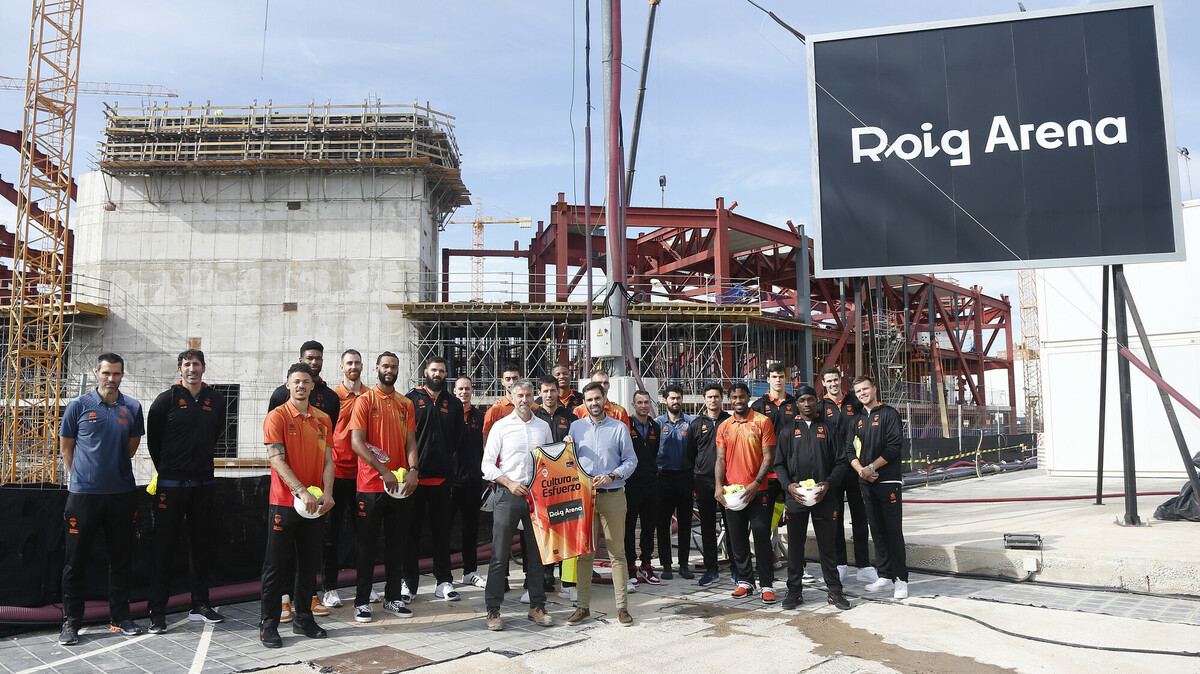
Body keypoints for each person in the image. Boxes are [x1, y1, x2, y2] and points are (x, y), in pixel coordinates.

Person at [58, 353, 146, 646]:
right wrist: (83, 478)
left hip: (121, 495)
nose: (111, 379)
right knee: (75, 563)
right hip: (83, 497)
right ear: (97, 373)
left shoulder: (132, 407)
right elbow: (67, 448)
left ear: (122, 375)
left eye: (116, 374)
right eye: (106, 373)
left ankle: (120, 619)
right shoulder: (78, 406)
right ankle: (71, 622)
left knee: (121, 560)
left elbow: (130, 449)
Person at [146, 349, 227, 634]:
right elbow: (154, 441)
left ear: (204, 368)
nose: (192, 369)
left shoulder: (216, 400)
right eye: (187, 364)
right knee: (164, 548)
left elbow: (216, 433)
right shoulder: (165, 400)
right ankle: (157, 611)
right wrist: (170, 469)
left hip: (203, 484)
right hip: (171, 485)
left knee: (201, 546)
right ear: (179, 369)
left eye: (196, 364)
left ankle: (200, 605)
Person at [259, 363, 335, 648]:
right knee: (275, 565)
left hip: (314, 505)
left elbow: (328, 460)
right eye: (296, 381)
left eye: (306, 381)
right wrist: (301, 491)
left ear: (313, 385)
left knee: (308, 563)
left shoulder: (323, 419)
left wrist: (328, 493)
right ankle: (268, 624)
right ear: (288, 385)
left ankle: (303, 618)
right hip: (284, 502)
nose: (301, 386)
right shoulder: (277, 416)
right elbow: (277, 460)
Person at [348, 352, 419, 623]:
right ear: (376, 368)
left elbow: (411, 443)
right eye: (385, 366)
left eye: (394, 367)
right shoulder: (364, 401)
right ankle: (361, 602)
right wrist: (384, 471)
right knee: (366, 547)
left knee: (396, 546)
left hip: (399, 488)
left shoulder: (405, 404)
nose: (390, 370)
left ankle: (392, 599)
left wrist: (413, 471)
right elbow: (357, 443)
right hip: (370, 486)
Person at [480, 379, 555, 631]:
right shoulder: (501, 426)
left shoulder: (543, 427)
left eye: (528, 395)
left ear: (534, 397)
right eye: (520, 395)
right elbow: (487, 465)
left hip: (537, 497)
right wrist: (509, 483)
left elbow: (549, 461)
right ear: (511, 398)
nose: (524, 400)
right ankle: (493, 609)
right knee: (499, 555)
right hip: (508, 494)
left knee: (537, 555)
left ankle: (537, 606)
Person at [565, 382, 637, 627]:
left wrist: (612, 475)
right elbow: (568, 462)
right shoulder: (576, 428)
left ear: (605, 399)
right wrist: (565, 449)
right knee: (585, 554)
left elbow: (631, 460)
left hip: (613, 495)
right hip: (584, 497)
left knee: (617, 553)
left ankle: (622, 608)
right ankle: (582, 607)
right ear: (583, 402)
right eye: (589, 399)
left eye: (597, 398)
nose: (594, 403)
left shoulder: (619, 428)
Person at [774, 385, 852, 611]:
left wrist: (828, 483)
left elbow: (841, 462)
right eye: (802, 400)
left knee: (828, 546)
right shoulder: (787, 431)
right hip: (796, 497)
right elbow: (779, 464)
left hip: (824, 496)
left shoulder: (828, 428)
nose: (807, 404)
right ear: (796, 404)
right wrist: (789, 486)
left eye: (810, 399)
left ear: (817, 401)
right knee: (795, 547)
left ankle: (835, 591)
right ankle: (794, 591)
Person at [405, 356, 464, 602]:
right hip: (414, 480)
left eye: (441, 370)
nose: (437, 374)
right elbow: (404, 439)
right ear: (425, 372)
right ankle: (408, 584)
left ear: (446, 373)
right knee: (411, 534)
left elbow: (458, 441)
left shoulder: (454, 404)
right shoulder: (410, 399)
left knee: (442, 534)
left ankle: (444, 582)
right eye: (433, 370)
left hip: (442, 480)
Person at [846, 375, 909, 599]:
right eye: (858, 391)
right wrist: (861, 470)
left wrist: (872, 467)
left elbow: (894, 446)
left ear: (874, 389)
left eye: (865, 389)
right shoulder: (856, 420)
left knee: (893, 531)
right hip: (866, 482)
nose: (862, 393)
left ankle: (900, 580)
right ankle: (884, 575)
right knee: (877, 531)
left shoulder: (889, 414)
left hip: (888, 480)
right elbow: (849, 450)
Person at [715, 382, 777, 604]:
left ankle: (767, 585)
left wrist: (756, 483)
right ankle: (745, 581)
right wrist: (718, 486)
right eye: (734, 397)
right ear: (729, 400)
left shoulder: (762, 421)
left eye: (741, 396)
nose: (738, 401)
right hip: (732, 493)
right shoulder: (724, 426)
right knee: (737, 538)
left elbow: (768, 457)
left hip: (758, 491)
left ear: (748, 397)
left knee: (761, 537)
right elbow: (720, 459)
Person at [819, 365, 874, 583]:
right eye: (829, 381)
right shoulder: (820, 406)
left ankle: (864, 565)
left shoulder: (854, 401)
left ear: (841, 379)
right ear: (823, 383)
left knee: (860, 518)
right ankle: (840, 564)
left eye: (836, 379)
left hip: (856, 468)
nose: (833, 383)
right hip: (834, 471)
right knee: (835, 519)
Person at [323, 349, 368, 609]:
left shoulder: (370, 396)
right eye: (349, 363)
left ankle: (365, 587)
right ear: (342, 367)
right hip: (337, 473)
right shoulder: (333, 397)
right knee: (331, 535)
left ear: (362, 366)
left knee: (365, 534)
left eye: (357, 362)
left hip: (364, 475)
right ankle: (329, 588)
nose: (353, 366)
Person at [751, 362, 804, 582]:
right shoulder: (758, 405)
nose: (778, 380)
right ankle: (764, 566)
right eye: (774, 376)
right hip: (767, 474)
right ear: (768, 380)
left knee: (796, 524)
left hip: (792, 473)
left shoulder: (796, 403)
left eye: (781, 376)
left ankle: (799, 568)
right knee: (763, 524)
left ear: (786, 379)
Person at [533, 375, 577, 596]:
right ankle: (545, 573)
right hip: (541, 484)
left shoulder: (571, 417)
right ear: (539, 393)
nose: (549, 394)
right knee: (544, 530)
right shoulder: (533, 417)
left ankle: (566, 580)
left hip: (565, 484)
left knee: (565, 529)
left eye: (553, 390)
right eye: (545, 391)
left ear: (558, 392)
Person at [687, 382, 729, 586]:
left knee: (732, 526)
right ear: (704, 399)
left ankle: (738, 569)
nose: (713, 400)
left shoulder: (730, 421)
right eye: (710, 397)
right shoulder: (696, 424)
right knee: (707, 527)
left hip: (728, 483)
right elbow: (691, 455)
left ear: (722, 398)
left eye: (716, 396)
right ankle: (711, 569)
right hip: (703, 482)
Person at [450, 376, 487, 588]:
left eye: (467, 388)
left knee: (471, 529)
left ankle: (470, 571)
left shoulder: (480, 417)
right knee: (443, 528)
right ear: (454, 391)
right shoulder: (448, 415)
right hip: (450, 482)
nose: (464, 392)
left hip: (473, 481)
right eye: (460, 389)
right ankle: (443, 576)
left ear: (472, 391)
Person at [655, 384, 694, 580]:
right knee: (663, 524)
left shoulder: (691, 423)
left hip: (685, 477)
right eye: (672, 398)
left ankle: (684, 565)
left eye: (678, 398)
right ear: (665, 400)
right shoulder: (657, 424)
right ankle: (666, 565)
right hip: (663, 477)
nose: (676, 401)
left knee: (685, 523)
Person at [625, 390, 661, 588]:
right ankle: (630, 565)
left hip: (650, 484)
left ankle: (646, 564)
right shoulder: (626, 425)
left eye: (646, 402)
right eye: (639, 402)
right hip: (631, 484)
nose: (644, 405)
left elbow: (654, 454)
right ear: (633, 405)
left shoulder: (655, 427)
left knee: (649, 526)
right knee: (629, 527)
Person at [482, 364, 524, 438]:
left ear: (521, 379)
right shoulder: (494, 411)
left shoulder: (532, 408)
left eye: (515, 378)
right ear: (502, 381)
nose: (512, 382)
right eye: (508, 379)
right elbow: (487, 440)